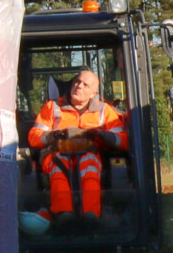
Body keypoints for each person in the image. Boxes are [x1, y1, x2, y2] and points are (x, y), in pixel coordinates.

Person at [27, 68, 129, 220]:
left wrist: (102, 134)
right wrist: (54, 135)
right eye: (77, 82)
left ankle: (91, 216)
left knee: (89, 166)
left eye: (85, 85)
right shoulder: (52, 107)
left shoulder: (104, 110)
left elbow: (123, 140)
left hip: (90, 154)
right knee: (58, 168)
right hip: (56, 153)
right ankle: (63, 215)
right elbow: (33, 137)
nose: (79, 86)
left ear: (94, 93)